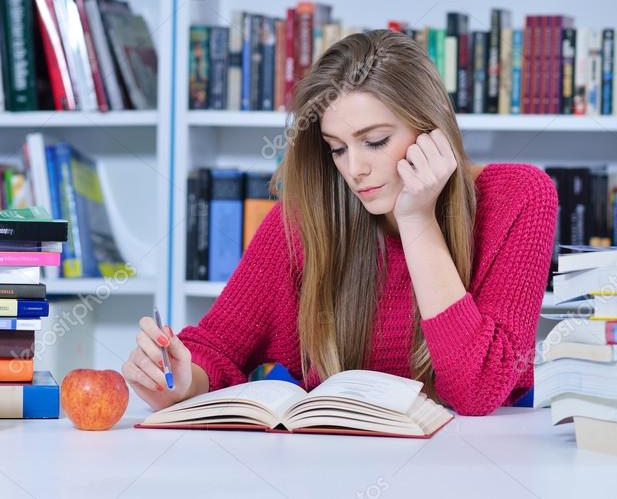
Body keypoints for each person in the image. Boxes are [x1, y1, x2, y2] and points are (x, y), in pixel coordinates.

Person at [122, 29, 558, 416]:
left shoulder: (520, 197)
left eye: (375, 141)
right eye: (337, 148)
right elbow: (214, 347)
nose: (355, 169)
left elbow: (477, 390)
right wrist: (178, 382)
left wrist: (417, 218)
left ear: (432, 126)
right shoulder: (300, 224)